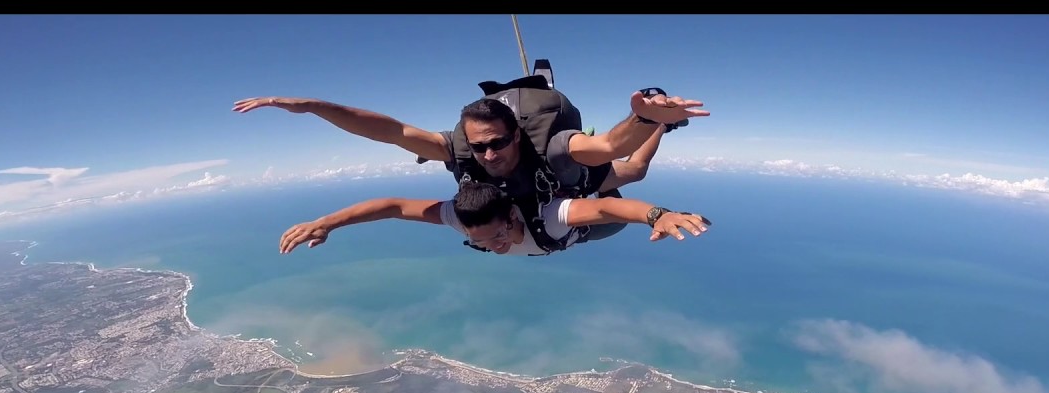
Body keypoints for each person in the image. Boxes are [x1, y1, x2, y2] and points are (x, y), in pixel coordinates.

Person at [232, 85, 707, 200]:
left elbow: (607, 148)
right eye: (479, 147)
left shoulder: (554, 144)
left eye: (498, 143)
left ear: (516, 133)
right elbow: (391, 131)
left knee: (635, 171)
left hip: (566, 182)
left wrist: (642, 118)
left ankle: (666, 127)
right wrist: (316, 107)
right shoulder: (459, 148)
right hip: (528, 195)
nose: (489, 154)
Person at [277, 172, 711, 258]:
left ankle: (659, 126)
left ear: (512, 216)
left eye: (498, 236)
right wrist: (328, 222)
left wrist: (656, 214)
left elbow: (605, 209)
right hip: (566, 226)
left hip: (593, 227)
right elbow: (393, 206)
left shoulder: (552, 216)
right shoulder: (459, 217)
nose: (495, 246)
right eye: (481, 243)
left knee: (626, 175)